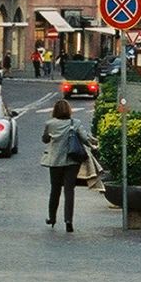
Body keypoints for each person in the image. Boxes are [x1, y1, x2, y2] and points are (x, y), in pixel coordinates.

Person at [40, 99, 89, 231]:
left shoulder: (50, 124)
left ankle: (52, 218)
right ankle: (68, 221)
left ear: (55, 111)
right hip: (72, 161)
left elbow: (45, 139)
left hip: (55, 161)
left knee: (54, 190)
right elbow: (85, 139)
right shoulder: (76, 123)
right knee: (69, 191)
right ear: (69, 110)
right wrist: (94, 145)